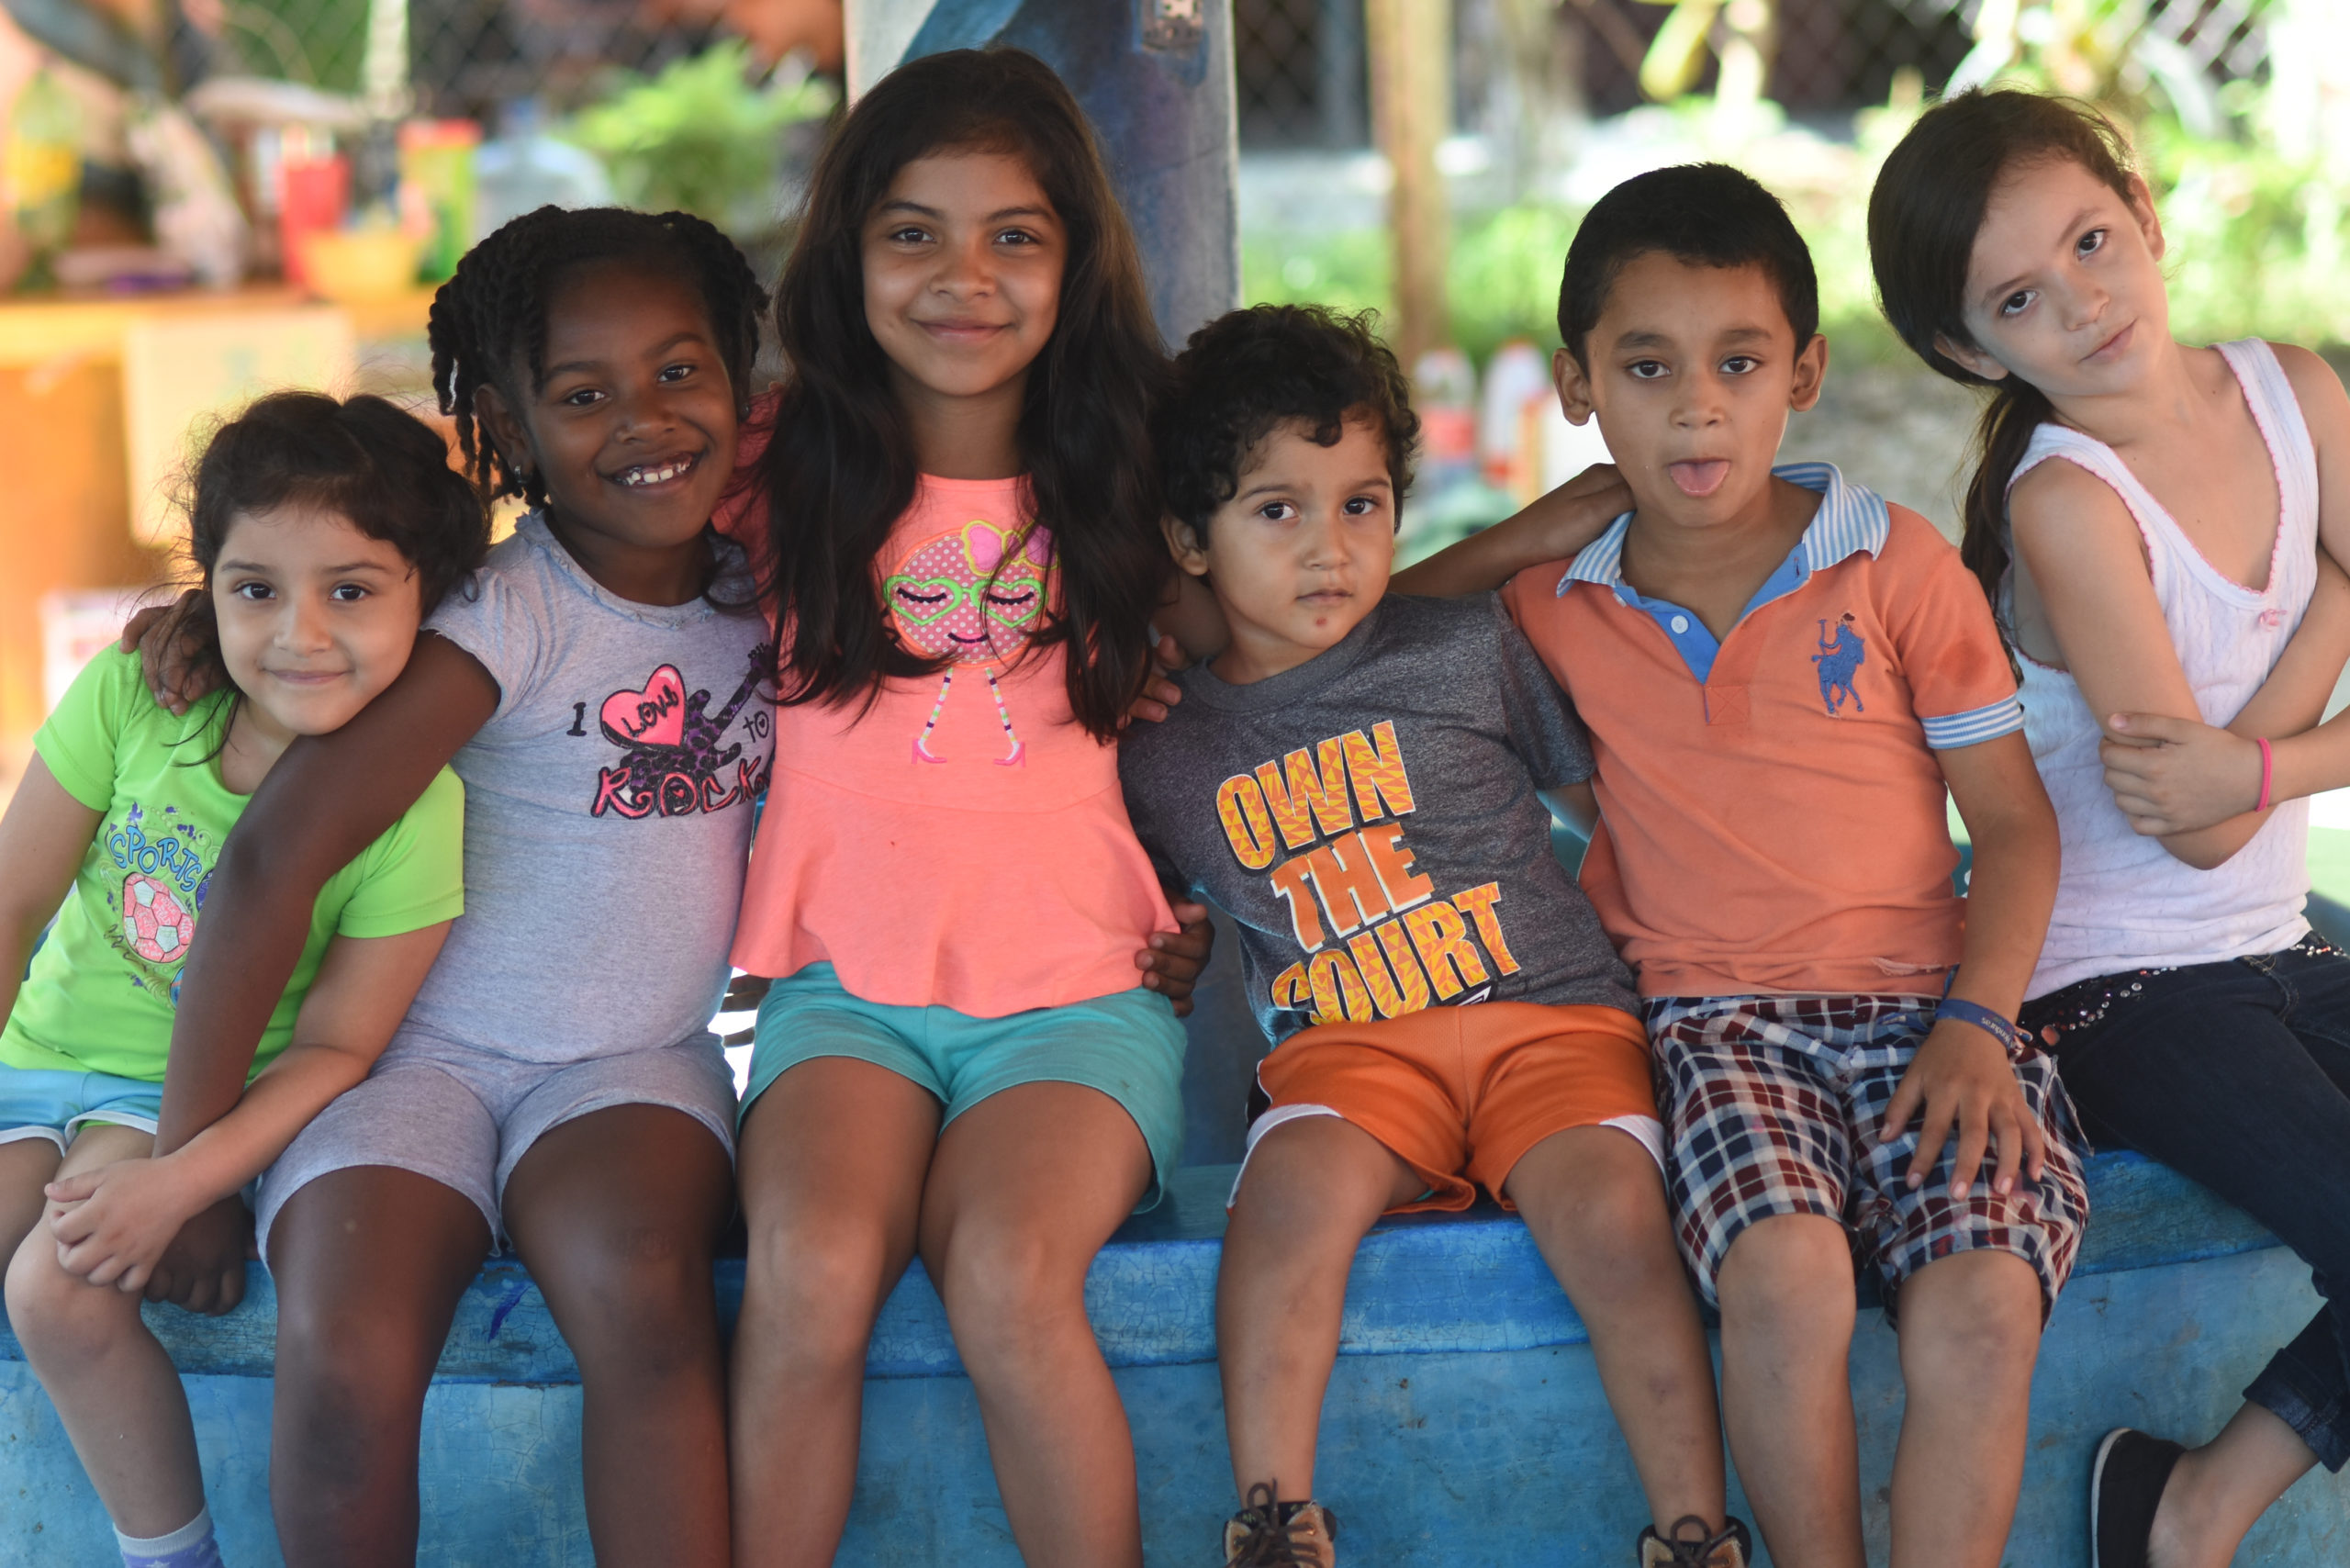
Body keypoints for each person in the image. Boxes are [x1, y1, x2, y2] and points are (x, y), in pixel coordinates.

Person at [1393, 162, 2090, 1568]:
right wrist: (1529, 530)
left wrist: (1977, 1027)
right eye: (1646, 367)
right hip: (1718, 1026)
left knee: (1986, 1299)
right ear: (1580, 387)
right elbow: (1368, 634)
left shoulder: (1892, 567)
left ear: (1806, 373)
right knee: (1784, 1274)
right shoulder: (1559, 600)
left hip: (1933, 1017)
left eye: (1739, 361)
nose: (1697, 405)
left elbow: (2015, 827)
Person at [121, 205, 778, 1567]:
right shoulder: (503, 619)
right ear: (502, 422)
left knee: (649, 1303)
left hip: (630, 1062)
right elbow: (271, 858)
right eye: (582, 394)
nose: (646, 420)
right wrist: (191, 1171)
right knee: (346, 1348)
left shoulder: (769, 596)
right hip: (400, 1065)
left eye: (681, 370)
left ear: (742, 375)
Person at [1119, 303, 1750, 1568]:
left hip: (1558, 1025)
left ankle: (1693, 1533)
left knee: (1621, 1232)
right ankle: (1271, 1519)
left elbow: (1611, 812)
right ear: (1189, 538)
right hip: (1349, 1056)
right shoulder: (1160, 741)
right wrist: (1169, 947)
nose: (1331, 550)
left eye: (1362, 505)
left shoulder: (1469, 646)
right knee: (1281, 1215)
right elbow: (1145, 911)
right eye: (1277, 511)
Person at [723, 48, 1212, 1568]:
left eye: (1015, 235)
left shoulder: (1139, 476)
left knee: (1005, 1270)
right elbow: (551, 543)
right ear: (849, 253)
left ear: (1075, 259)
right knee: (804, 1266)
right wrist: (225, 621)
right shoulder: (772, 470)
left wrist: (1571, 524)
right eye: (913, 232)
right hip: (839, 998)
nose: (965, 276)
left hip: (1080, 999)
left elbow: (1333, 600)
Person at [1869, 89, 2350, 1568]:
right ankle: (2189, 1516)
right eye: (2021, 296)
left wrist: (2261, 760)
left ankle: (2182, 1501)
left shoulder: (2298, 391)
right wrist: (2341, 609)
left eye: (2092, 242)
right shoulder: (2070, 504)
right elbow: (2189, 826)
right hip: (2116, 988)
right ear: (1969, 348)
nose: (2081, 302)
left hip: (2283, 942)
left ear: (2143, 215)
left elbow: (2229, 788)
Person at [0, 391, 483, 1568]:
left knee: (57, 1293)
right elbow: (15, 899)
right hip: (35, 1061)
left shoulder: (413, 806)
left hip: (169, 1102)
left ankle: (174, 1555)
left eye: (352, 590)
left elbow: (335, 1047)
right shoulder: (134, 695)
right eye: (254, 587)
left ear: (432, 596)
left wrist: (183, 1180)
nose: (298, 634)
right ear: (204, 586)